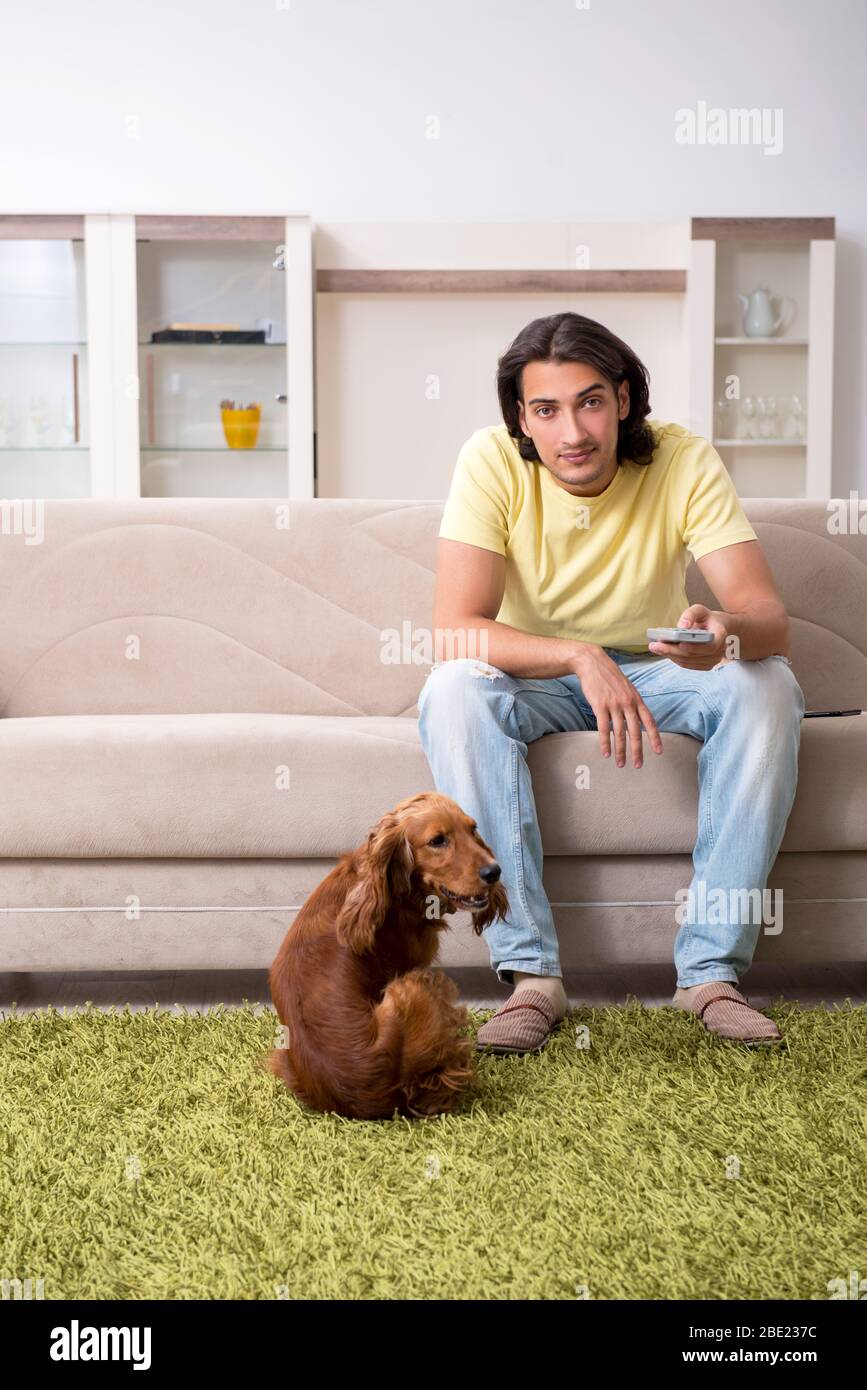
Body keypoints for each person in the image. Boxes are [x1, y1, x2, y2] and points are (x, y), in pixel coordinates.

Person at [417, 311, 804, 1053]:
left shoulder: (680, 458)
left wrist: (722, 633)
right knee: (453, 688)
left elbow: (768, 621)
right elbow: (456, 630)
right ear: (520, 421)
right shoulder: (490, 461)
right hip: (540, 676)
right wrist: (575, 655)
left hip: (661, 672)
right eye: (546, 410)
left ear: (623, 400)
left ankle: (709, 974)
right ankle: (531, 978)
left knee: (767, 684)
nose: (572, 433)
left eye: (590, 401)